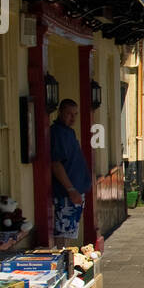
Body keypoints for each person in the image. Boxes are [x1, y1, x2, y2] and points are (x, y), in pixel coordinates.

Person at [50, 99, 92, 243]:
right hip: (65, 196)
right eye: (69, 114)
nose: (73, 118)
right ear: (60, 112)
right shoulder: (57, 133)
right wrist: (71, 189)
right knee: (62, 237)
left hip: (76, 193)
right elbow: (56, 164)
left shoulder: (70, 132)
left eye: (75, 114)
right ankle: (63, 264)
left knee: (69, 236)